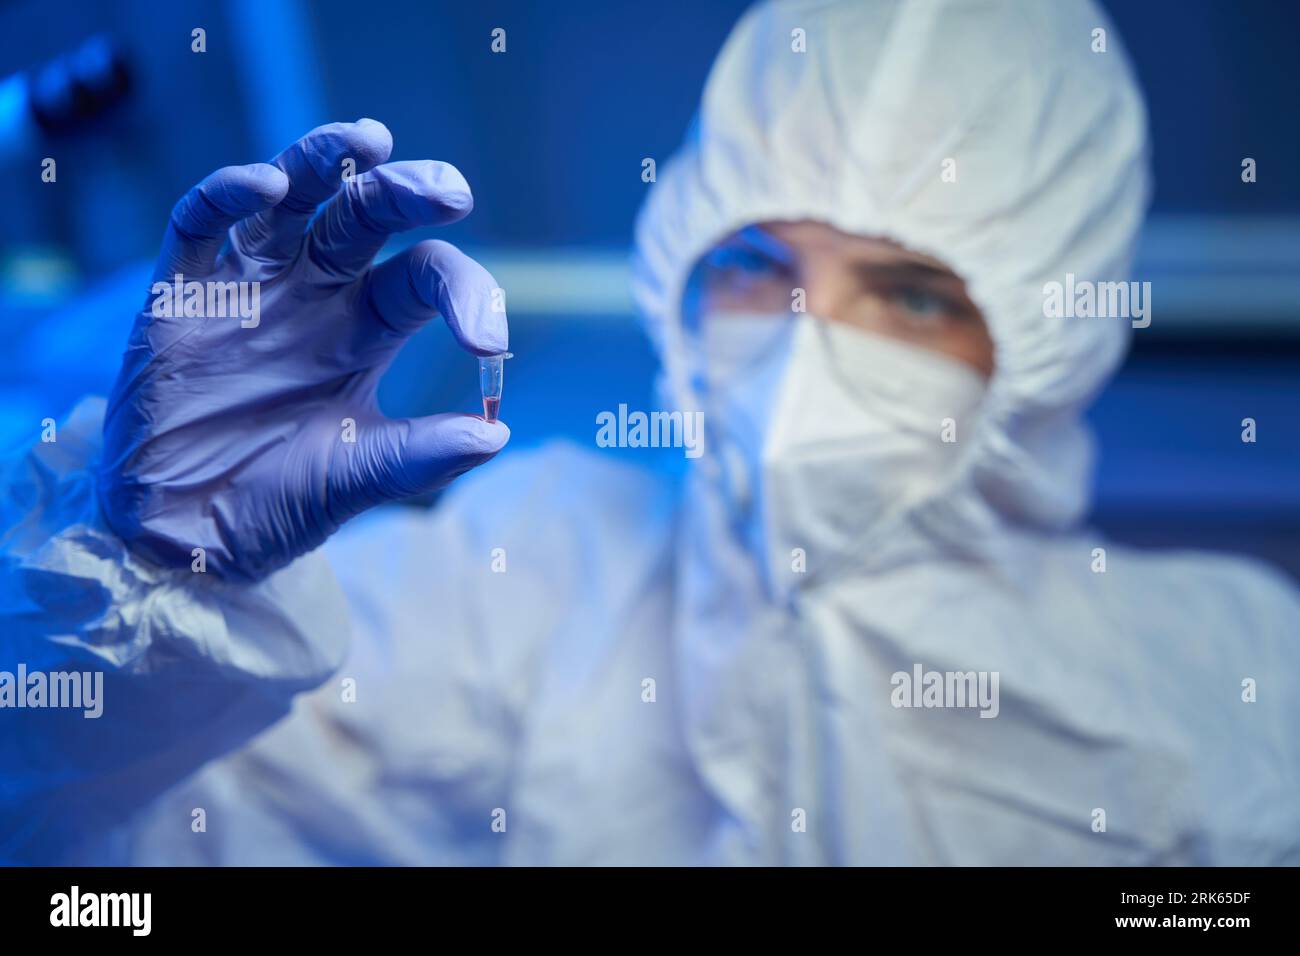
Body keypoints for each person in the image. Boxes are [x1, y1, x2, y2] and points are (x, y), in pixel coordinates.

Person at [3, 0, 1298, 866]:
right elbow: (114, 835)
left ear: (1045, 349)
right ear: (678, 271)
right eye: (753, 264)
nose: (803, 349)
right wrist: (148, 589)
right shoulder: (535, 570)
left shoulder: (1233, 670)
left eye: (909, 295)